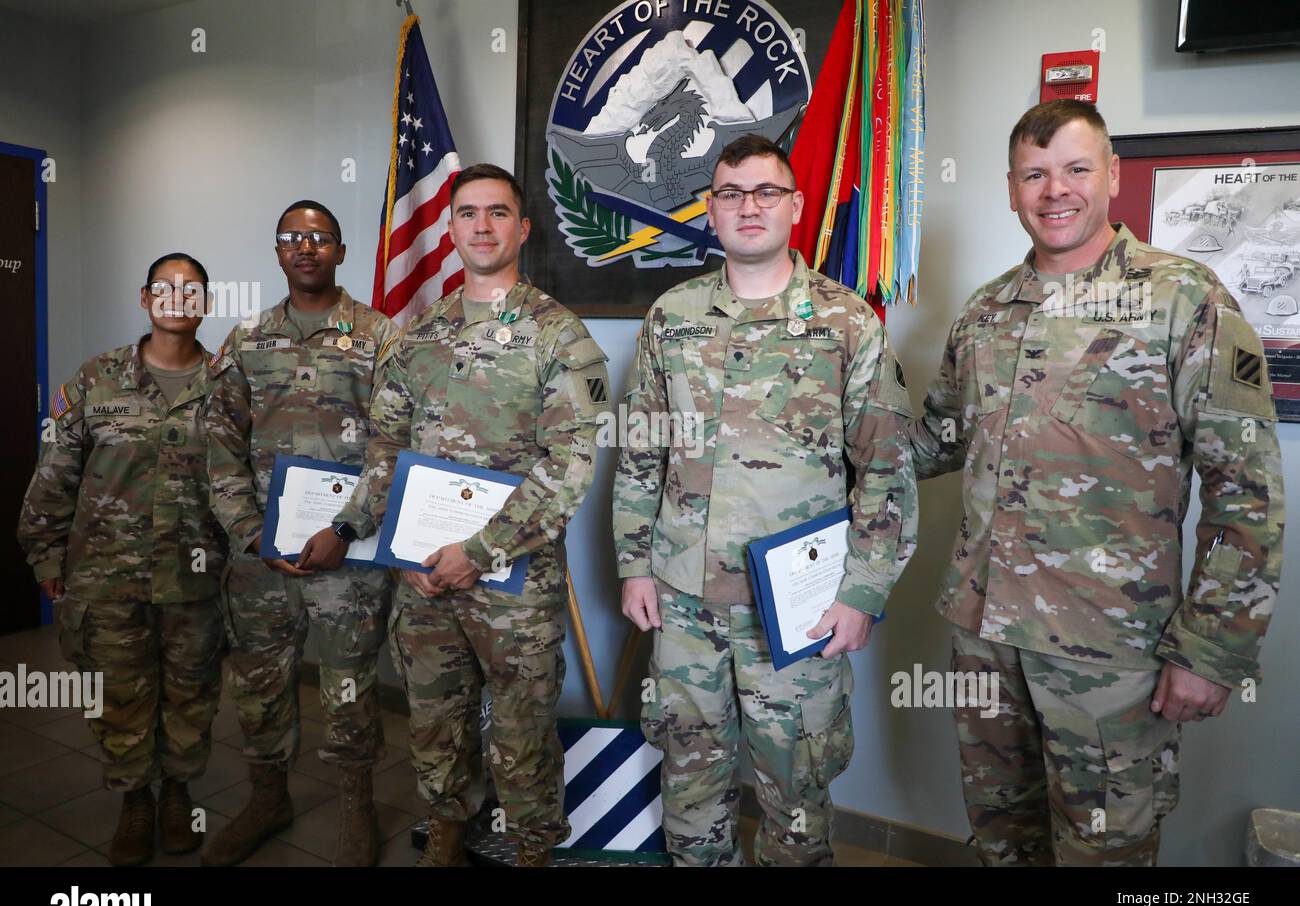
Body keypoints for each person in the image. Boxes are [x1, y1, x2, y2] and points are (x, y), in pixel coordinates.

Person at [908, 100, 1285, 865]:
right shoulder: (985, 313)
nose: (1056, 191)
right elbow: (937, 439)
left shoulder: (1186, 299)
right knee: (1001, 840)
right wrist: (811, 434)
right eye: (1035, 175)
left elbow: (1246, 489)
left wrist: (1211, 650)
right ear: (1011, 190)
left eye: (1077, 169)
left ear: (1112, 174)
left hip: (1109, 655)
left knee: (1102, 854)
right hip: (985, 640)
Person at [612, 134, 918, 866]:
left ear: (795, 206)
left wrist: (865, 591)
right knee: (690, 784)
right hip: (684, 603)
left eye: (766, 192)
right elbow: (641, 449)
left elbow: (886, 466)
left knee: (796, 793)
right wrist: (632, 565)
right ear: (710, 209)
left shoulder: (847, 323)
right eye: (730, 193)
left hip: (798, 609)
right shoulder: (671, 317)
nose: (748, 206)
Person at [335, 164, 609, 867]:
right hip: (422, 577)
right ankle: (447, 834)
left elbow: (569, 464)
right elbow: (386, 445)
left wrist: (481, 551)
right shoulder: (417, 334)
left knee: (520, 734)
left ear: (521, 228)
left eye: (497, 213)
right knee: (434, 721)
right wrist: (367, 534)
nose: (481, 226)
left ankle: (531, 849)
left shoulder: (559, 336)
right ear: (450, 228)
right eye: (467, 213)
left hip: (513, 584)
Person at [203, 201, 397, 866]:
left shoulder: (378, 335)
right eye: (292, 238)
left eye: (319, 238)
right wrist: (249, 531)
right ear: (278, 252)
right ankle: (267, 797)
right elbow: (219, 442)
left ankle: (355, 804)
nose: (305, 247)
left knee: (348, 683)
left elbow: (393, 444)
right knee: (259, 680)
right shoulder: (247, 338)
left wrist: (348, 527)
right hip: (264, 552)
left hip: (350, 550)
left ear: (341, 251)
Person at [18, 253, 228, 866]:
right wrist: (46, 556)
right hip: (106, 578)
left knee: (191, 692)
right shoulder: (95, 380)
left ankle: (178, 792)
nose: (177, 297)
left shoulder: (227, 384)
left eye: (191, 289)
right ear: (145, 300)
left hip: (196, 579)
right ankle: (135, 799)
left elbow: (247, 483)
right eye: (165, 287)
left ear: (205, 304)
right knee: (119, 695)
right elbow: (53, 475)